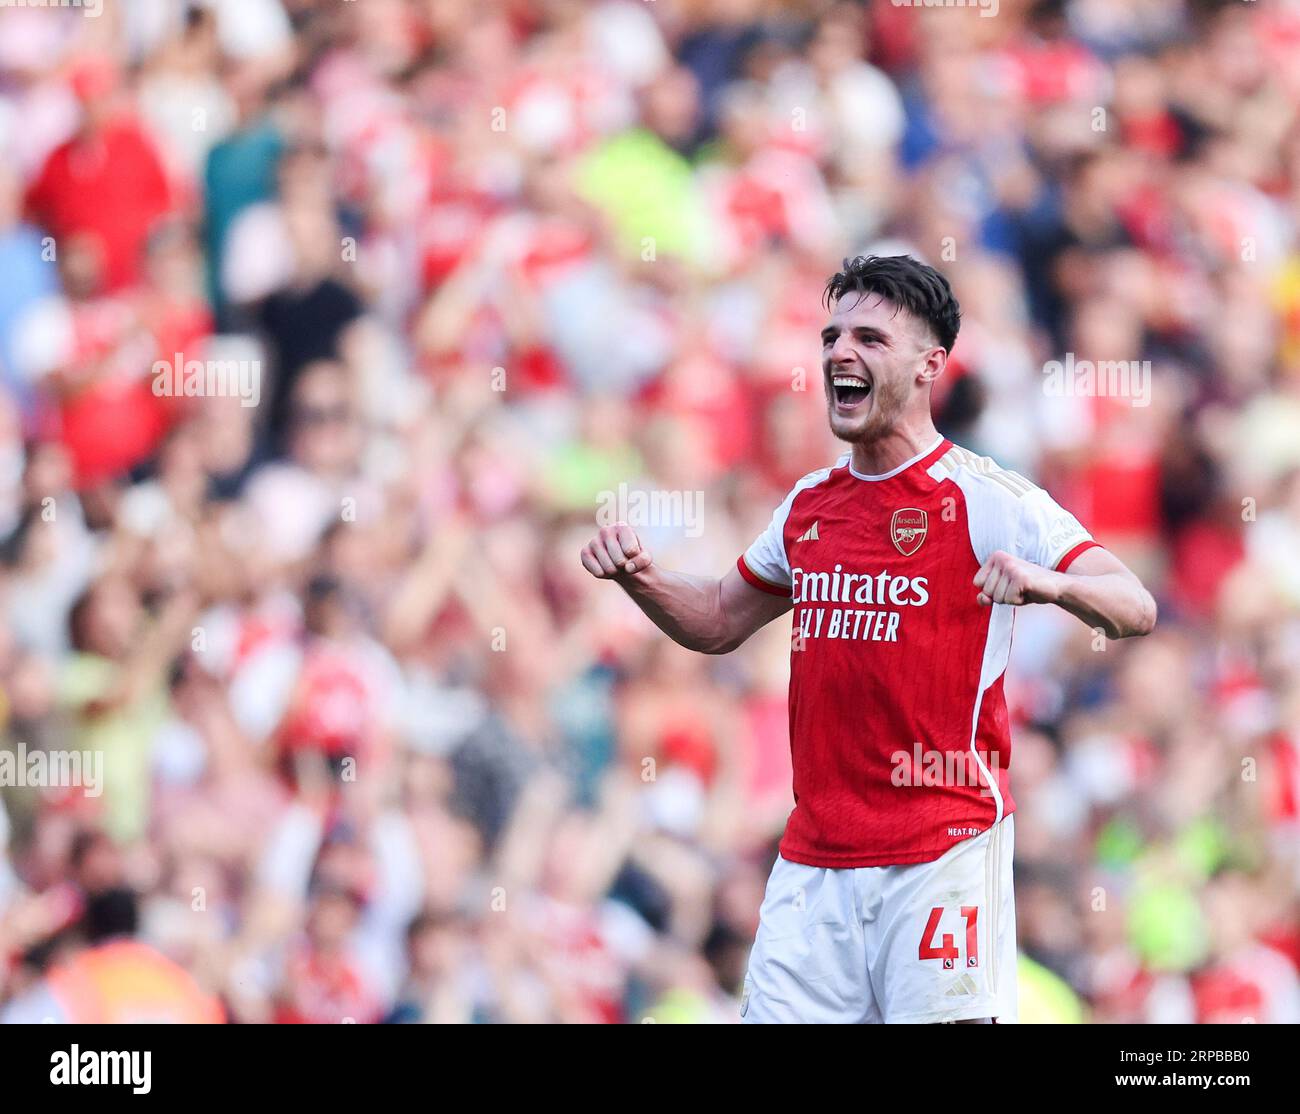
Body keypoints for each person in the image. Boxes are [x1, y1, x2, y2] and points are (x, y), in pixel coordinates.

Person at [580, 254, 1157, 1024]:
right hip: (812, 867)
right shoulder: (808, 508)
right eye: (831, 336)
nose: (838, 354)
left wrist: (1054, 586)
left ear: (929, 367)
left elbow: (1135, 603)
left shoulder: (988, 500)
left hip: (941, 853)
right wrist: (640, 578)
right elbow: (719, 620)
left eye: (869, 340)